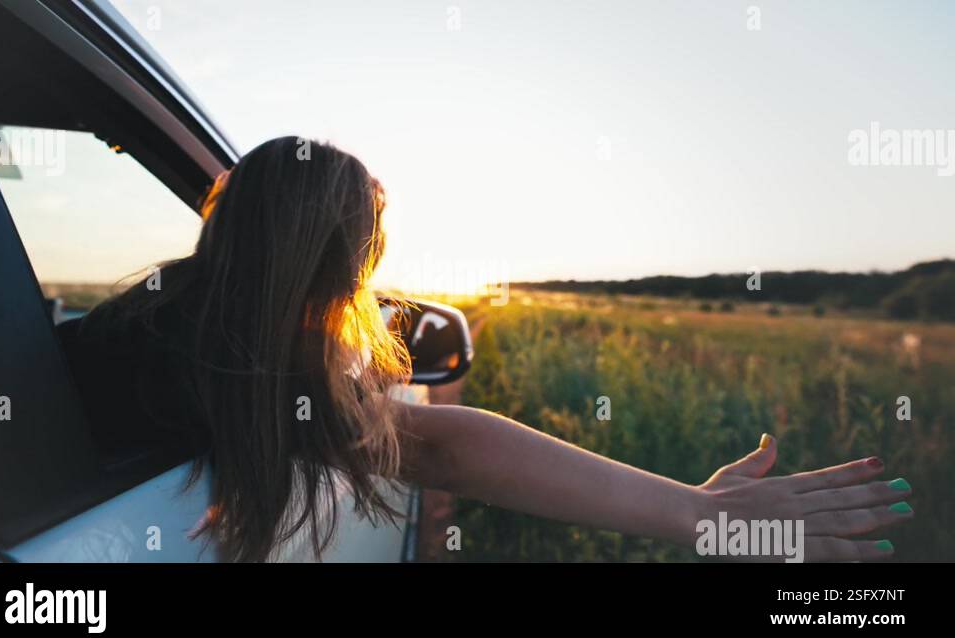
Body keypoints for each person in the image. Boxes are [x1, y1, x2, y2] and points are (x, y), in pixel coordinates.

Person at [63, 137, 913, 562]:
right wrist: (692, 513)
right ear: (346, 271)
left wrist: (694, 511)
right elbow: (439, 445)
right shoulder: (261, 365)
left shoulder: (148, 325)